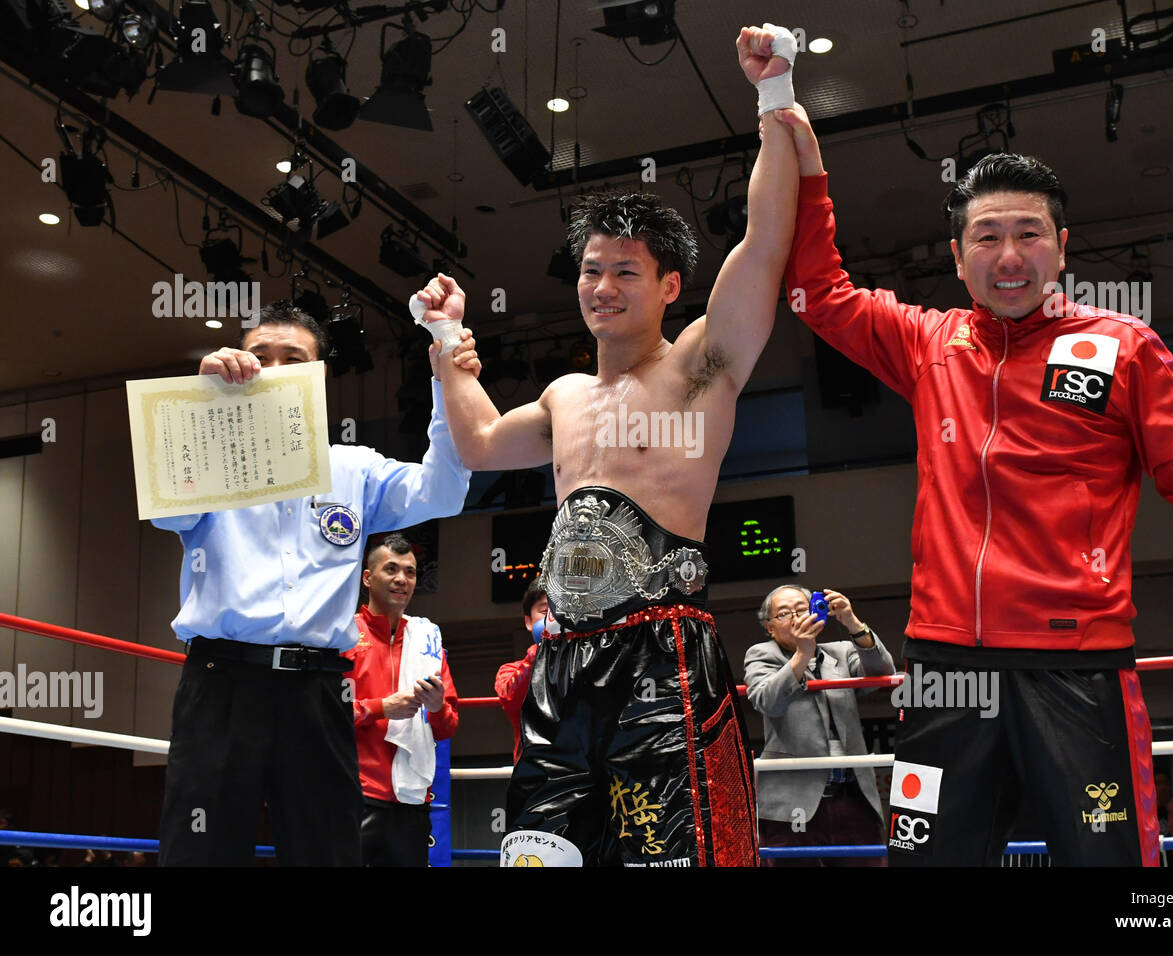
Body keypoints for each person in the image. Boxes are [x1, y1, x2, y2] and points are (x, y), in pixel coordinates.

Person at [770, 94, 1173, 866]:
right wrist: (802, 156)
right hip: (945, 669)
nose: (1009, 256)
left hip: (1076, 667)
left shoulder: (1122, 347)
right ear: (956, 255)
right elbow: (816, 292)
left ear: (1061, 245)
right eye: (987, 236)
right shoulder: (928, 343)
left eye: (1028, 234)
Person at [426, 25, 801, 866]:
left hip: (661, 654)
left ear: (670, 285)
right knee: (541, 855)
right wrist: (448, 342)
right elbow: (481, 442)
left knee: (673, 855)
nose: (603, 287)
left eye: (626, 271)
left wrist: (774, 97)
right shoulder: (564, 396)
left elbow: (767, 243)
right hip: (560, 658)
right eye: (593, 270)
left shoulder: (702, 366)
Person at [151, 302, 472, 866]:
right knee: (199, 850)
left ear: (317, 376)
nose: (271, 370)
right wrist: (199, 406)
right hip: (220, 681)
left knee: (326, 851)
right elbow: (166, 516)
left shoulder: (353, 469)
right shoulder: (207, 452)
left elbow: (442, 492)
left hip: (319, 690)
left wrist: (446, 373)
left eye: (291, 359)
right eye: (258, 358)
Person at [744, 586, 895, 867]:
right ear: (770, 627)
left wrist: (852, 622)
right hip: (792, 803)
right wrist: (802, 654)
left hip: (850, 795)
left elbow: (883, 675)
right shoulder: (761, 655)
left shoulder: (841, 650)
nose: (795, 617)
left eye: (802, 609)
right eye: (784, 613)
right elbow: (767, 701)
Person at [345, 533, 459, 867]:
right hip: (355, 794)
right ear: (368, 577)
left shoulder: (427, 640)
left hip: (411, 800)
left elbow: (448, 726)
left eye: (409, 572)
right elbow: (321, 714)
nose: (401, 579)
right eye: (391, 569)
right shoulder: (343, 636)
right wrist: (382, 707)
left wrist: (436, 707)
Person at [494, 578, 549, 763]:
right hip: (535, 771)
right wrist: (542, 649)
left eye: (560, 611)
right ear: (528, 622)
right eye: (545, 611)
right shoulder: (509, 671)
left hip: (580, 771)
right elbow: (512, 697)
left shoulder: (583, 661)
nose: (553, 618)